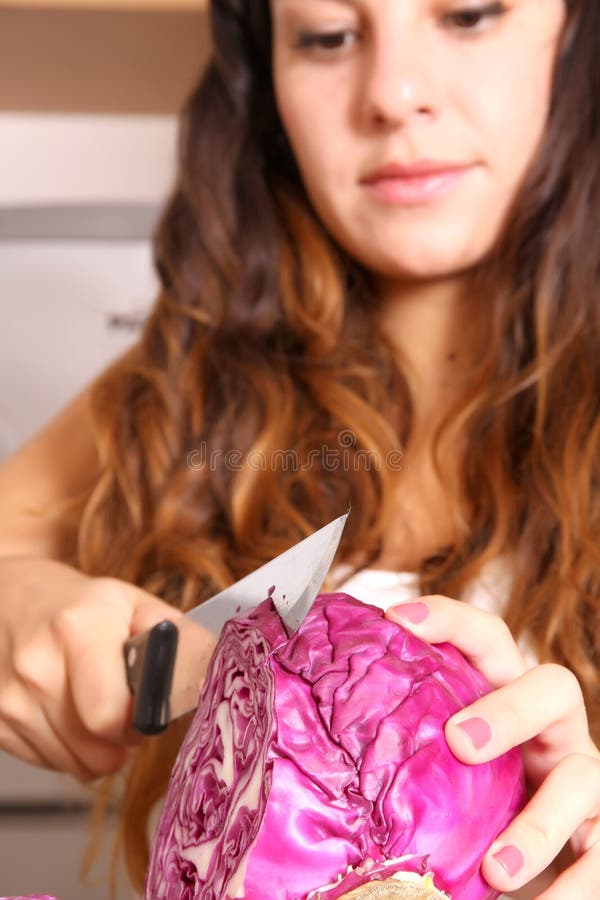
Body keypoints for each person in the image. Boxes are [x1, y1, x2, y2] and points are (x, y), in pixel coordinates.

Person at [0, 0, 598, 897]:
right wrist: (21, 602)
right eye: (328, 35)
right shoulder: (184, 387)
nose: (393, 95)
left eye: (469, 15)